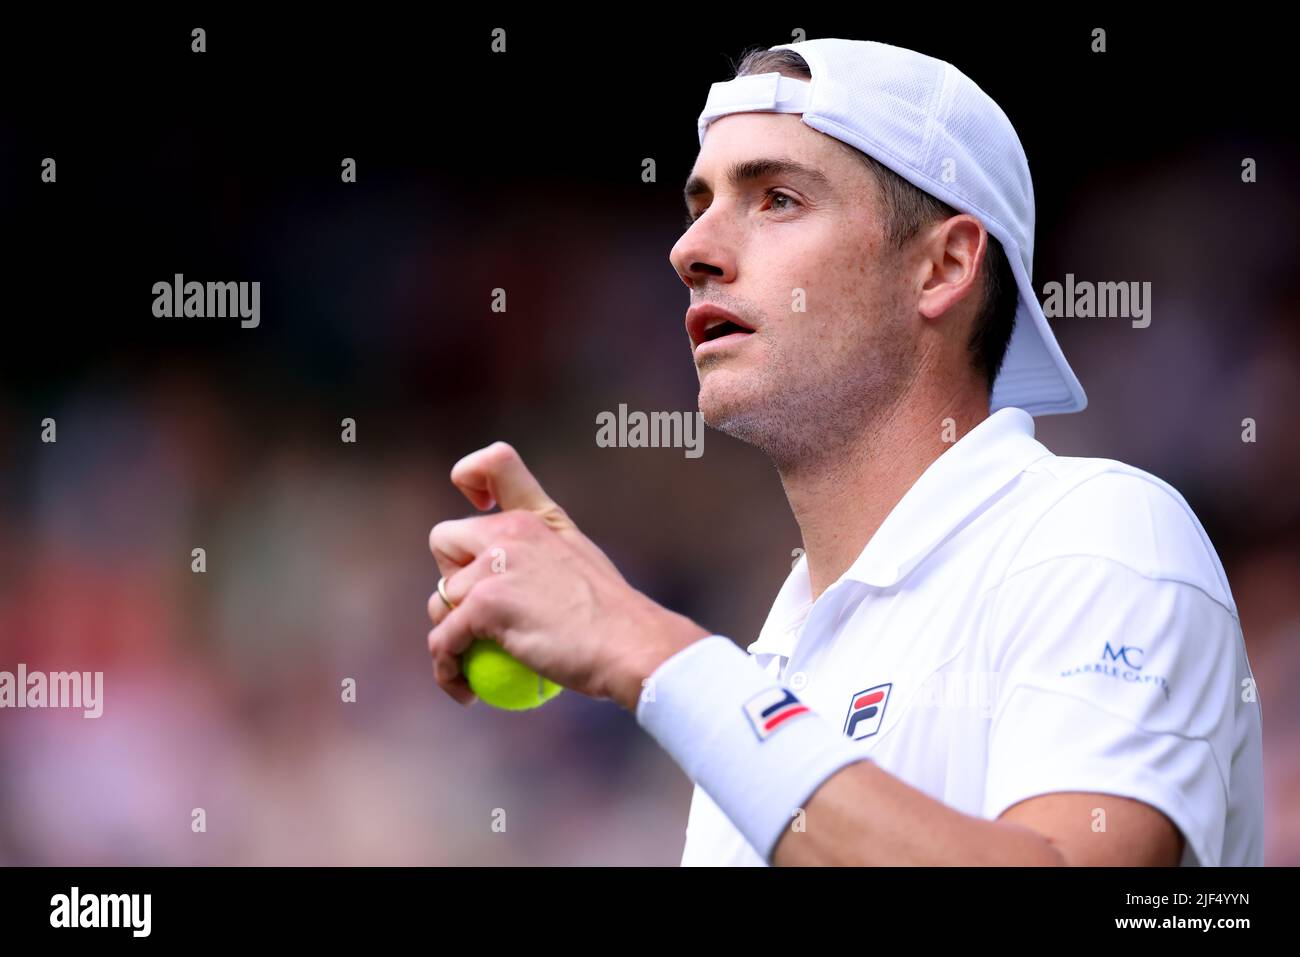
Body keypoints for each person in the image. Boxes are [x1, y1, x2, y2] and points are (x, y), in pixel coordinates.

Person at [426, 38, 1264, 866]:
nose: (690, 252)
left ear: (944, 265)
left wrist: (638, 642)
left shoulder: (1102, 533)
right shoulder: (773, 659)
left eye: (777, 198)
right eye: (699, 204)